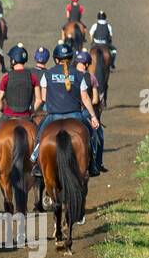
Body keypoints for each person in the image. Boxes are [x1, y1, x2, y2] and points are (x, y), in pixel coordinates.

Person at [32, 42, 103, 176]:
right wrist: (93, 117)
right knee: (92, 135)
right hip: (76, 115)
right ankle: (93, 163)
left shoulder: (46, 74)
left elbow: (44, 98)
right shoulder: (79, 75)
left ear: (56, 59)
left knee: (40, 134)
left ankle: (36, 160)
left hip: (53, 115)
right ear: (71, 59)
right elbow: (85, 98)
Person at [0, 44, 41, 178]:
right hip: (27, 117)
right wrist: (31, 112)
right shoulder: (33, 77)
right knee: (40, 140)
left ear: (13, 61)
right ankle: (38, 166)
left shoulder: (6, 77)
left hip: (8, 116)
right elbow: (39, 100)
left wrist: (3, 110)